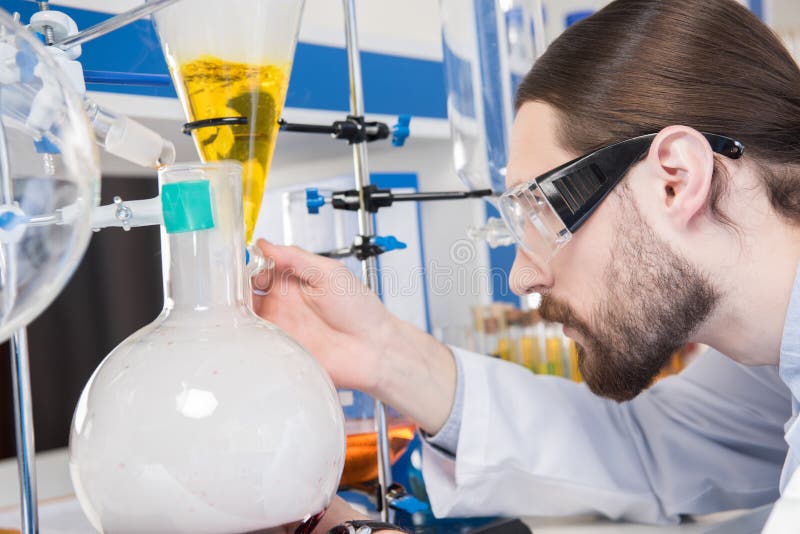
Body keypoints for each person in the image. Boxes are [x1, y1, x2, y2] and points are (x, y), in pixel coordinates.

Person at [253, 0, 800, 528]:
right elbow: (653, 448)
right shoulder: (772, 362)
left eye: (544, 210)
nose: (523, 276)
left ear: (675, 180)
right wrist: (380, 354)